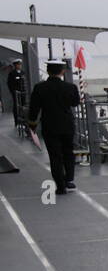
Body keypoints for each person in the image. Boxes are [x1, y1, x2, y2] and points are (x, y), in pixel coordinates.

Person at [24, 62, 81, 194]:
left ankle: (60, 186)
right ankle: (69, 180)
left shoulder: (40, 88)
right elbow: (75, 102)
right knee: (68, 152)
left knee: (55, 156)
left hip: (50, 125)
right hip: (67, 125)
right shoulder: (70, 87)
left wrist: (32, 124)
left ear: (48, 71)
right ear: (62, 72)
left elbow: (34, 108)